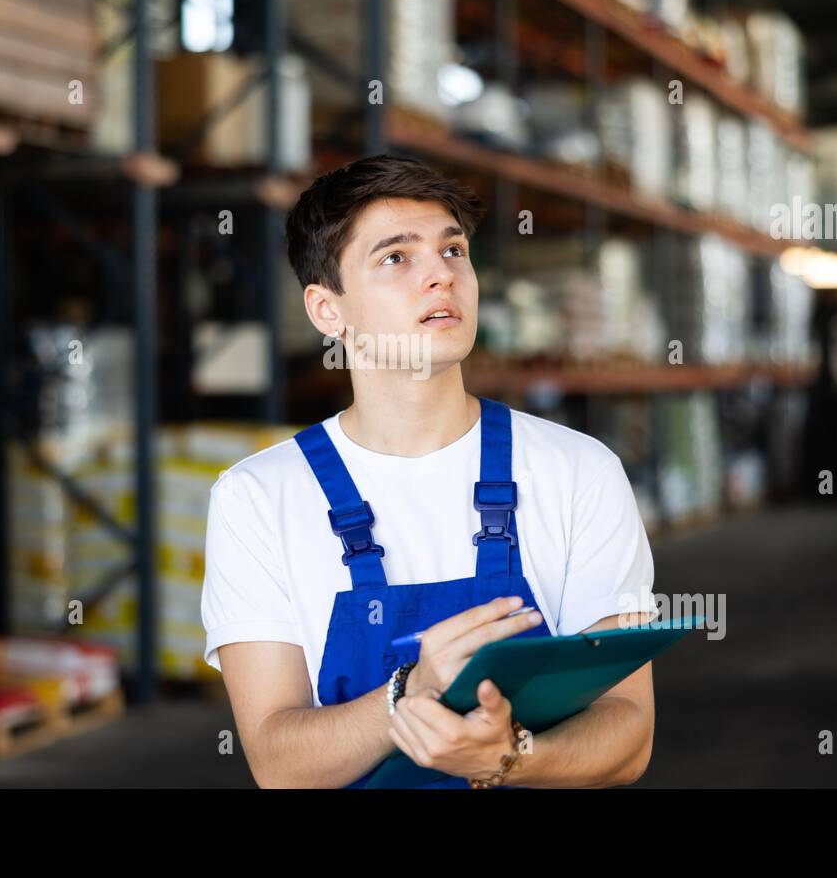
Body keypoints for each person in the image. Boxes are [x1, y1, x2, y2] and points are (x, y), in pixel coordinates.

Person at [200, 155, 658, 788]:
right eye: (396, 257)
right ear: (327, 311)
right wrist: (409, 692)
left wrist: (510, 757)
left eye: (453, 250)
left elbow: (629, 731)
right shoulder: (258, 497)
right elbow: (280, 764)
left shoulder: (580, 472)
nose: (441, 275)